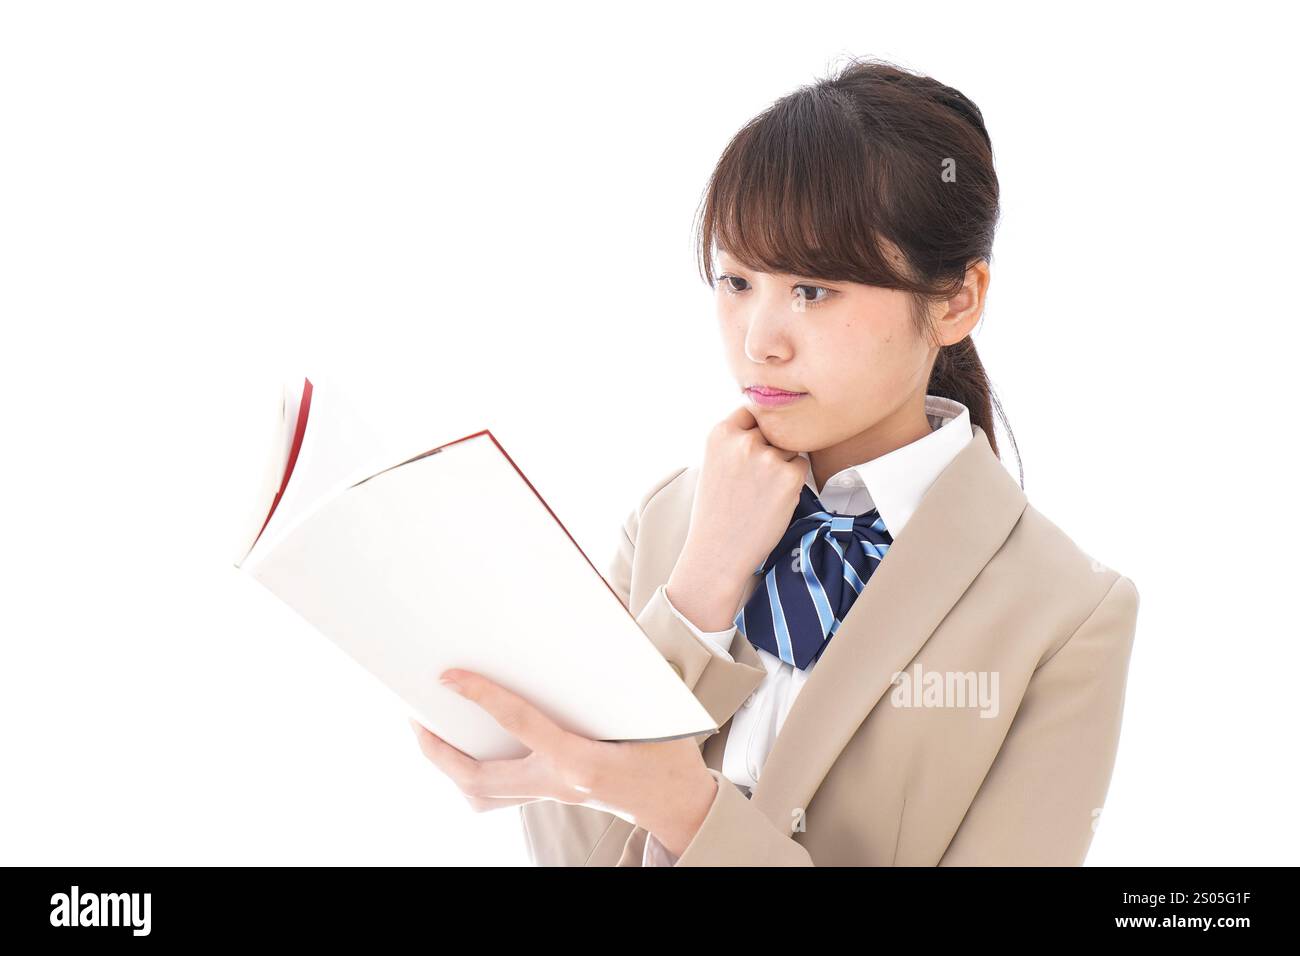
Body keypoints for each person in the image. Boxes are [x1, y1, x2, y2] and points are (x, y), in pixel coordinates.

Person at [410, 56, 1140, 866]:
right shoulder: (668, 524)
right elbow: (576, 853)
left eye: (814, 290)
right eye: (737, 280)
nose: (759, 340)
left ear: (958, 300)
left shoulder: (1067, 613)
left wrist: (687, 811)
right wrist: (700, 591)